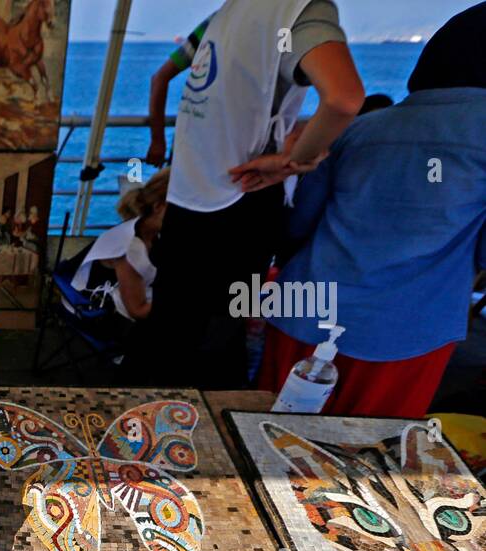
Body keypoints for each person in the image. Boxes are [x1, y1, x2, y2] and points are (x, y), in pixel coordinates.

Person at [120, 0, 365, 390]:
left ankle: (154, 415)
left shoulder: (225, 18)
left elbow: (161, 77)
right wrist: (294, 162)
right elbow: (344, 98)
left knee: (173, 325)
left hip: (191, 192)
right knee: (219, 332)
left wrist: (156, 138)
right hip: (239, 201)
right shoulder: (297, 10)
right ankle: (207, 418)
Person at [258, 3, 486, 417]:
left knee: (265, 434)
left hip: (305, 312)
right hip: (406, 332)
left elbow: (299, 223)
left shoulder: (360, 130)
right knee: (361, 460)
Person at [68, 167, 168, 341]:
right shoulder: (128, 248)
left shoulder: (145, 230)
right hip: (95, 313)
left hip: (115, 299)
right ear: (159, 207)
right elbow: (138, 310)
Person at [145, 13, 214, 166]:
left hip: (191, 147)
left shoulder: (214, 23)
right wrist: (158, 140)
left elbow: (159, 78)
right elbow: (159, 79)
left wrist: (158, 141)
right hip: (207, 151)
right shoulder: (214, 24)